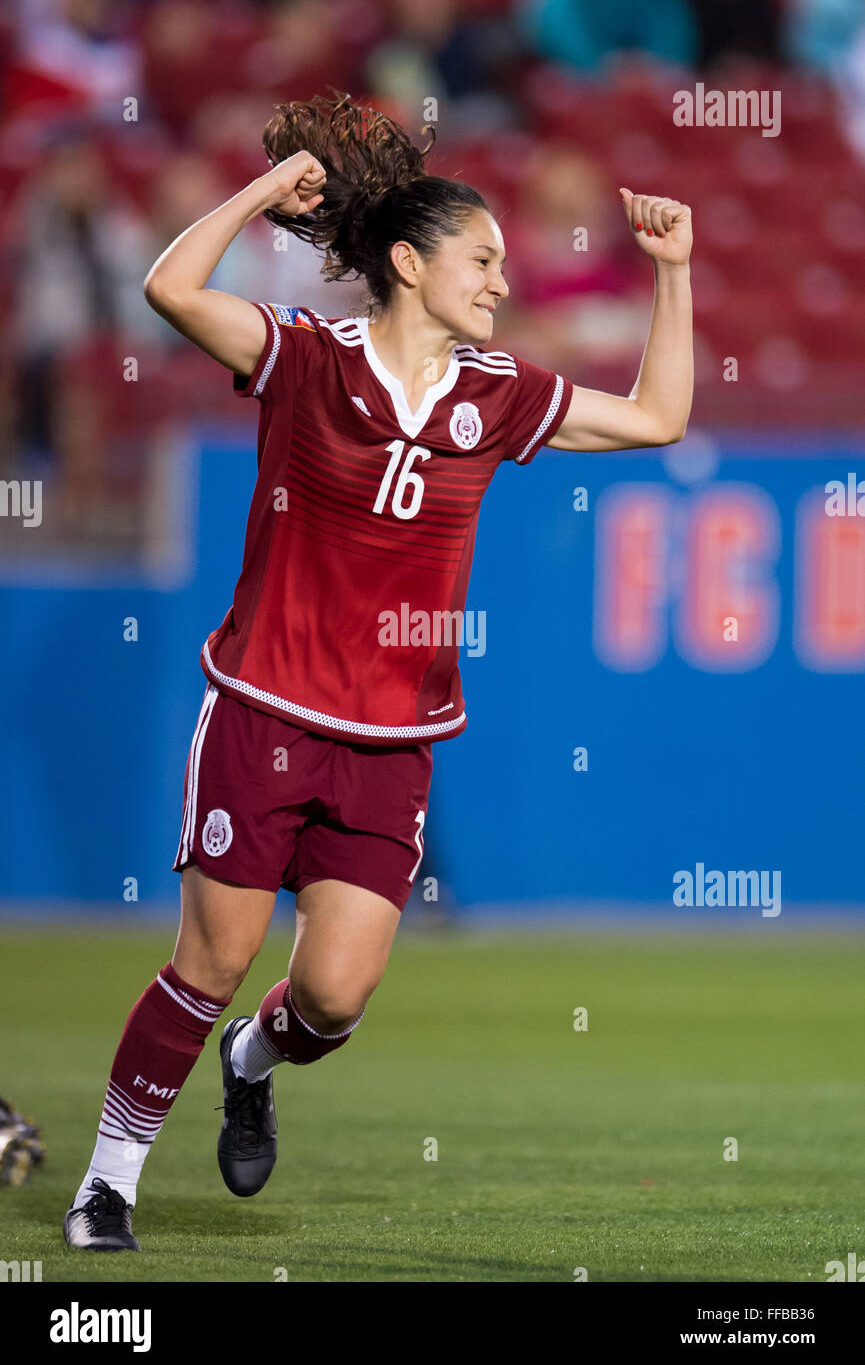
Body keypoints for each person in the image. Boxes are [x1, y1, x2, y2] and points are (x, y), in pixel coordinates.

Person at [63, 90, 692, 1252]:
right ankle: (107, 1184)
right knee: (211, 958)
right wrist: (269, 185)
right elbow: (170, 289)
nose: (501, 280)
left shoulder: (499, 394)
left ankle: (253, 1061)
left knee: (334, 999)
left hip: (390, 739)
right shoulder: (305, 359)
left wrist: (671, 271)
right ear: (407, 260)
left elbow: (659, 416)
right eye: (482, 257)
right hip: (261, 709)